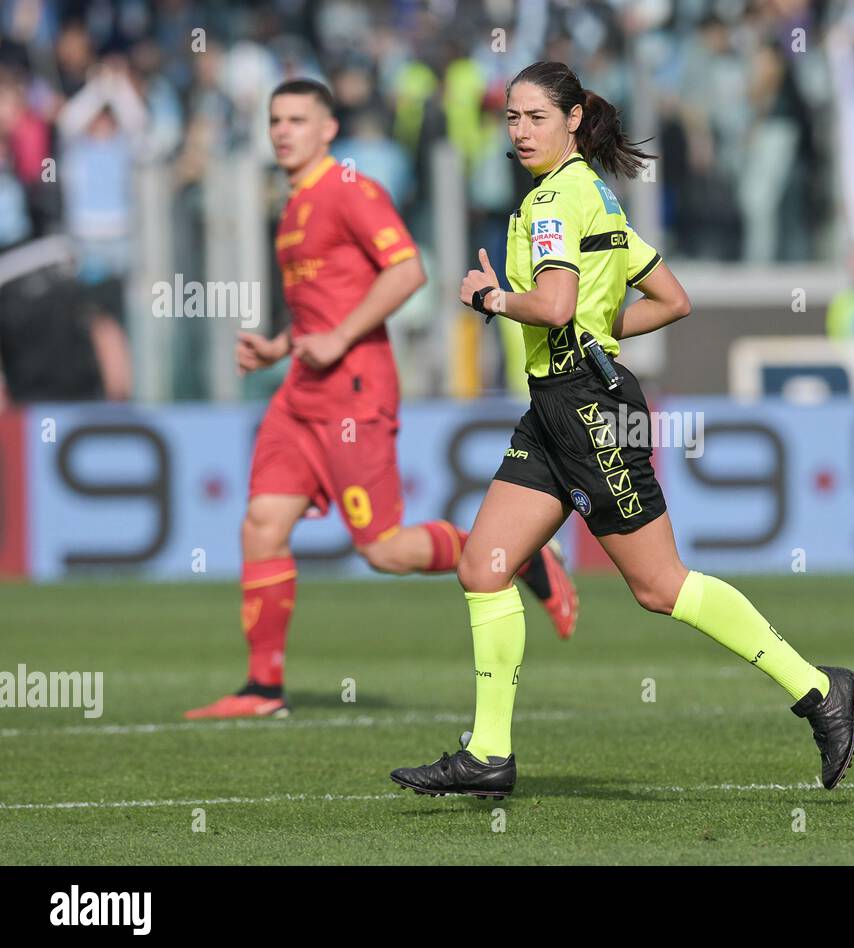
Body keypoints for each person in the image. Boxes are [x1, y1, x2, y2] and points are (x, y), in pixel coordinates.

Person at [389, 62, 854, 799]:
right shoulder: (594, 196)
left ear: (573, 119)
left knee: (659, 585)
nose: (519, 131)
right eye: (511, 118)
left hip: (585, 408)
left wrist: (492, 297)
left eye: (535, 117)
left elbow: (550, 307)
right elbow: (672, 299)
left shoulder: (554, 201)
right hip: (559, 406)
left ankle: (817, 688)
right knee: (484, 564)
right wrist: (594, 326)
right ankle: (487, 752)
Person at [185, 79, 576, 721]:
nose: (283, 130)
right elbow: (325, 303)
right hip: (300, 395)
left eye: (297, 120)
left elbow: (409, 271)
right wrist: (282, 346)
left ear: (328, 129)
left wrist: (338, 337)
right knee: (261, 525)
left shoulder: (349, 190)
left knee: (384, 549)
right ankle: (262, 688)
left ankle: (517, 555)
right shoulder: (291, 205)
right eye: (275, 119)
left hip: (354, 391)